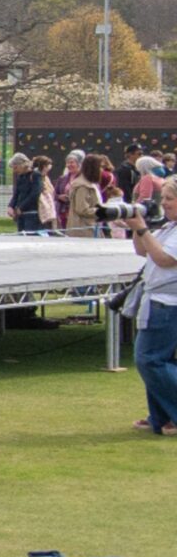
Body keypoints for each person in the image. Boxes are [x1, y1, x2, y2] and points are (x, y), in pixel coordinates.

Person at [121, 177, 177, 437]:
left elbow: (165, 259)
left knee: (149, 360)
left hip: (168, 304)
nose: (163, 203)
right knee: (157, 360)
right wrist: (135, 225)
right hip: (157, 302)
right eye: (162, 198)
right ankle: (161, 416)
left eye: (169, 198)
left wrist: (142, 227)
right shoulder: (168, 227)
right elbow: (143, 252)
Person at [67, 155, 107, 235]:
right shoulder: (82, 186)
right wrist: (104, 211)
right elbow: (82, 209)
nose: (102, 170)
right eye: (100, 167)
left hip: (91, 227)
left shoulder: (90, 184)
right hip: (83, 230)